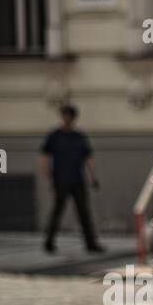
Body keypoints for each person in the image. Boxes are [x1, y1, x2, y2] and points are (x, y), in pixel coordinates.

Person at [41, 104, 103, 254]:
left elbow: (88, 158)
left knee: (84, 212)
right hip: (60, 179)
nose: (67, 118)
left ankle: (91, 243)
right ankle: (49, 242)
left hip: (77, 179)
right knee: (57, 211)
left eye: (69, 116)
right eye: (65, 115)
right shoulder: (55, 136)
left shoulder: (79, 137)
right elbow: (45, 157)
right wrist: (48, 177)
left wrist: (92, 177)